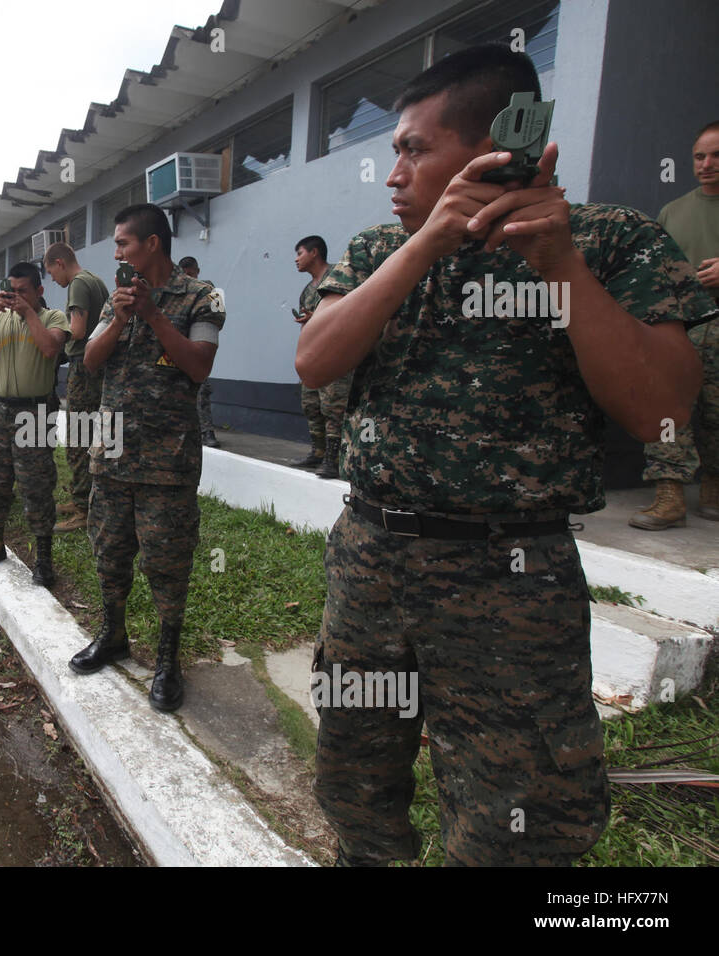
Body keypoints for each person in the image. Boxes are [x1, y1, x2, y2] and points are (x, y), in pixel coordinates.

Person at [295, 45, 706, 866]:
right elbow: (316, 359)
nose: (393, 170)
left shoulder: (607, 241)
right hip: (370, 566)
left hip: (512, 584)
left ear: (489, 149)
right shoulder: (381, 247)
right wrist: (426, 248)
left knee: (518, 824)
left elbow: (663, 411)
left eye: (413, 148)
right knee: (354, 780)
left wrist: (558, 266)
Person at [70, 204, 224, 712]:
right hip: (111, 455)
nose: (116, 253)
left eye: (122, 243)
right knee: (109, 552)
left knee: (168, 562)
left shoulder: (203, 296)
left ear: (152, 243)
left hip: (167, 461)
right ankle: (113, 636)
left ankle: (167, 659)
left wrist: (155, 315)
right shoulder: (117, 301)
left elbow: (199, 366)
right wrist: (118, 319)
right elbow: (91, 363)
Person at [631, 120, 719, 529]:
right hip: (682, 325)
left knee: (714, 414)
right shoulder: (674, 210)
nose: (707, 164)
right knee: (668, 406)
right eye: (700, 156)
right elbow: (656, 271)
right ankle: (668, 495)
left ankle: (714, 488)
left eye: (716, 155)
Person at [0, 262, 70, 586]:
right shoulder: (2, 318)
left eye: (23, 290)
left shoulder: (54, 318)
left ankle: (43, 559)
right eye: (12, 290)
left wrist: (27, 313)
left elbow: (51, 348)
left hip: (34, 413)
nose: (16, 296)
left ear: (39, 290)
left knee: (36, 486)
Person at [44, 242, 109, 532]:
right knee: (92, 434)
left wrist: (56, 334)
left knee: (77, 438)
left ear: (60, 262)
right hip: (98, 366)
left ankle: (84, 509)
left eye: (51, 272)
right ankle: (86, 498)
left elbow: (79, 330)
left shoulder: (79, 284)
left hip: (84, 367)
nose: (53, 280)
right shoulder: (96, 280)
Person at [290, 236, 350, 478]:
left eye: (299, 253)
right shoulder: (307, 290)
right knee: (311, 405)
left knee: (333, 407)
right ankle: (318, 452)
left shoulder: (339, 277)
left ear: (314, 253)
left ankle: (333, 459)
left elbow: (349, 310)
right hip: (316, 355)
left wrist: (318, 316)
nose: (296, 259)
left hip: (337, 355)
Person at [179, 256, 220, 449]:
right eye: (185, 273)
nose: (189, 277)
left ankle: (207, 431)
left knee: (201, 390)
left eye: (191, 273)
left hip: (198, 346)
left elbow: (219, 315)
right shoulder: (178, 291)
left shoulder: (210, 289)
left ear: (198, 271)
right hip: (178, 348)